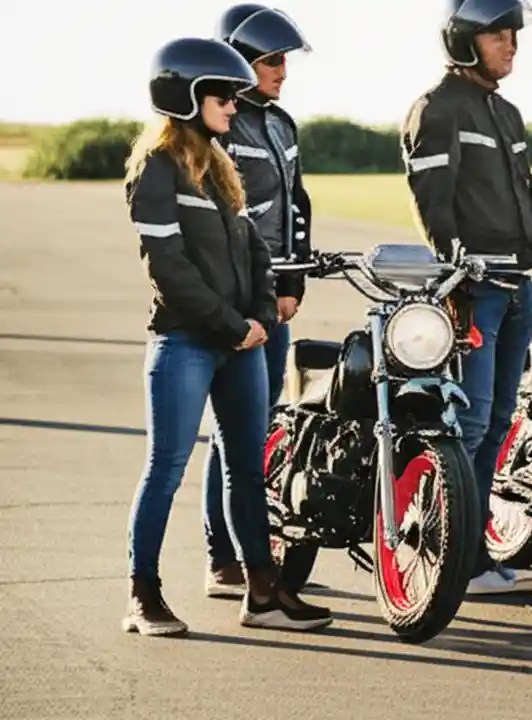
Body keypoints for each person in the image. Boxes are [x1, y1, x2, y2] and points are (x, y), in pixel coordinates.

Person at [123, 37, 332, 636]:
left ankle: (262, 593)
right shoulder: (157, 170)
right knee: (166, 466)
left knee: (246, 463)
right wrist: (233, 324)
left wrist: (261, 315)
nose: (234, 107)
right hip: (186, 342)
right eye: (223, 96)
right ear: (187, 96)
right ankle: (143, 594)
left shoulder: (218, 168)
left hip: (243, 340)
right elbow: (169, 269)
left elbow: (255, 252)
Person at [401, 0, 532, 595]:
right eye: (498, 35)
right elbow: (433, 204)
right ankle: (452, 553)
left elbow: (530, 196)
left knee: (498, 421)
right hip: (476, 292)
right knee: (467, 423)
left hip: (516, 286)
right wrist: (454, 283)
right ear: (464, 41)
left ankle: (471, 550)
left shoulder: (506, 112)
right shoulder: (437, 110)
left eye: (513, 34)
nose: (511, 45)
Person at [203, 2, 316, 599]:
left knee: (259, 426)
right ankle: (223, 556)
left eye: (283, 61)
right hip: (236, 302)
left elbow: (297, 205)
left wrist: (293, 285)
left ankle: (244, 551)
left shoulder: (281, 124)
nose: (282, 72)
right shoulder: (217, 127)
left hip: (275, 303)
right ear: (240, 62)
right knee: (234, 433)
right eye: (272, 61)